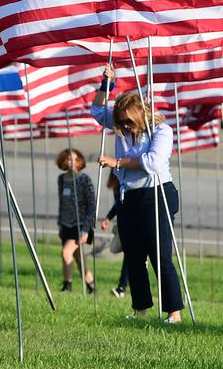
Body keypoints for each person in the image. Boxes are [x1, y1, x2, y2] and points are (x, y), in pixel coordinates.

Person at [90, 65, 184, 323]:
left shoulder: (162, 131)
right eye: (121, 123)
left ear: (141, 115)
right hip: (128, 196)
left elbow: (153, 162)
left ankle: (173, 312)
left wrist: (117, 162)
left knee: (160, 255)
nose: (125, 127)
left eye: (129, 122)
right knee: (133, 256)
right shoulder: (119, 121)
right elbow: (97, 111)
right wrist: (106, 85)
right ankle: (141, 308)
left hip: (157, 194)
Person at [55, 148, 96, 293]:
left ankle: (67, 285)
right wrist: (60, 224)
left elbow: (92, 206)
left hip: (80, 226)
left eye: (75, 159)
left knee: (66, 253)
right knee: (78, 258)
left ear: (79, 162)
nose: (71, 162)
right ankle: (91, 284)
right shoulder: (62, 179)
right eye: (68, 159)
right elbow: (62, 202)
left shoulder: (84, 179)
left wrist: (85, 230)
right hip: (66, 225)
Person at [99, 174, 128, 299]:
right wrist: (108, 218)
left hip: (136, 224)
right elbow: (118, 204)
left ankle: (122, 287)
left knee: (131, 257)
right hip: (124, 224)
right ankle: (121, 287)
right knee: (129, 257)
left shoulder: (130, 181)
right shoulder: (117, 183)